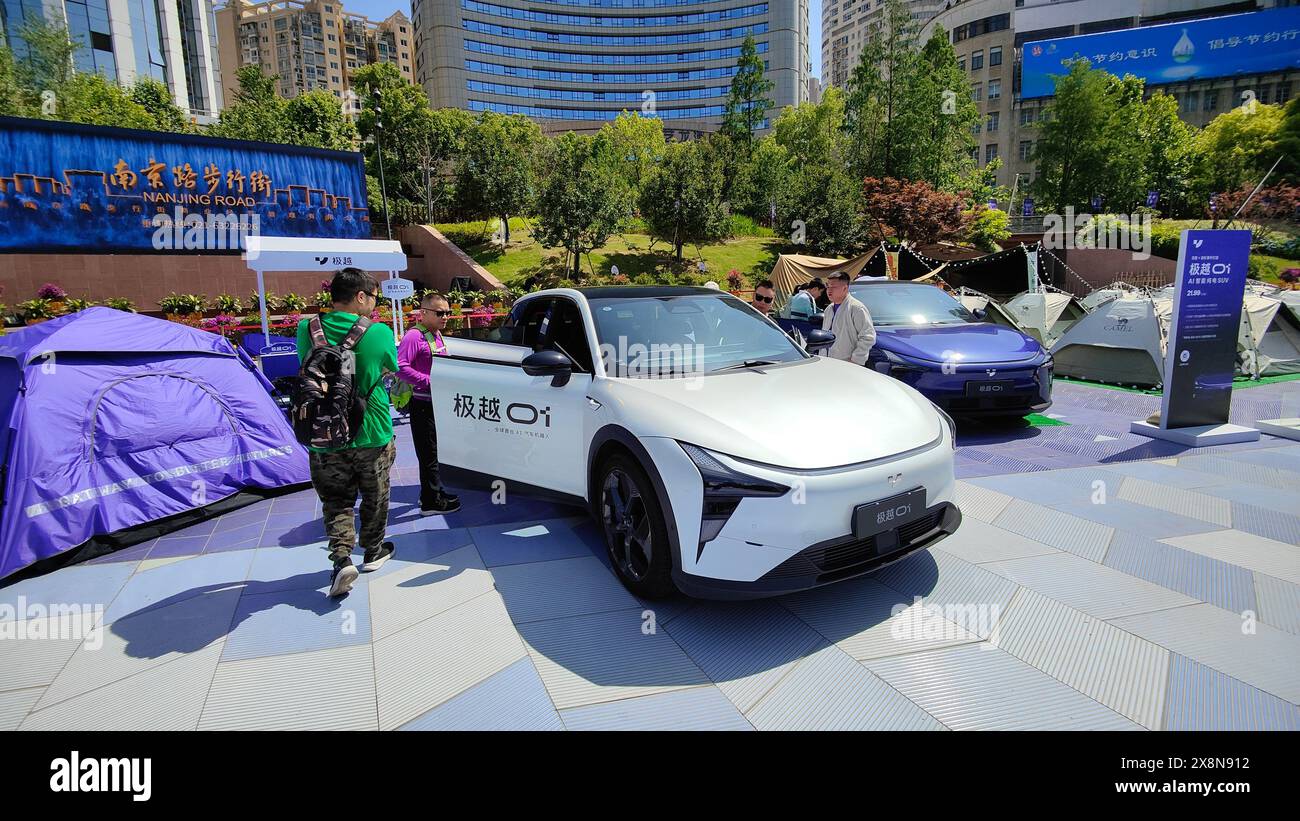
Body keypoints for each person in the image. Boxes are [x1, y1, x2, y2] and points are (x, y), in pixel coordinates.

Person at [297, 268, 399, 598]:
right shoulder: (379, 332)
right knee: (376, 493)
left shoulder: (306, 329)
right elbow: (389, 368)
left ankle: (342, 560)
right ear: (360, 296)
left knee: (337, 501)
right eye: (373, 298)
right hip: (371, 428)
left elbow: (307, 368)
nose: (374, 304)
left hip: (324, 432)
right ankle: (373, 551)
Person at [397, 293, 461, 515]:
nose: (446, 317)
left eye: (448, 312)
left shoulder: (436, 334)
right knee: (428, 454)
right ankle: (430, 502)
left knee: (436, 452)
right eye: (440, 313)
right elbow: (400, 366)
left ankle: (436, 492)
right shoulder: (414, 337)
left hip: (437, 404)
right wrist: (429, 382)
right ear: (423, 313)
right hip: (423, 405)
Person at [821, 271, 876, 366]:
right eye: (828, 286)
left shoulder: (856, 308)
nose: (829, 290)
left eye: (833, 287)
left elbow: (868, 337)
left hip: (848, 365)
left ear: (845, 288)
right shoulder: (829, 309)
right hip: (828, 363)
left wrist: (856, 361)